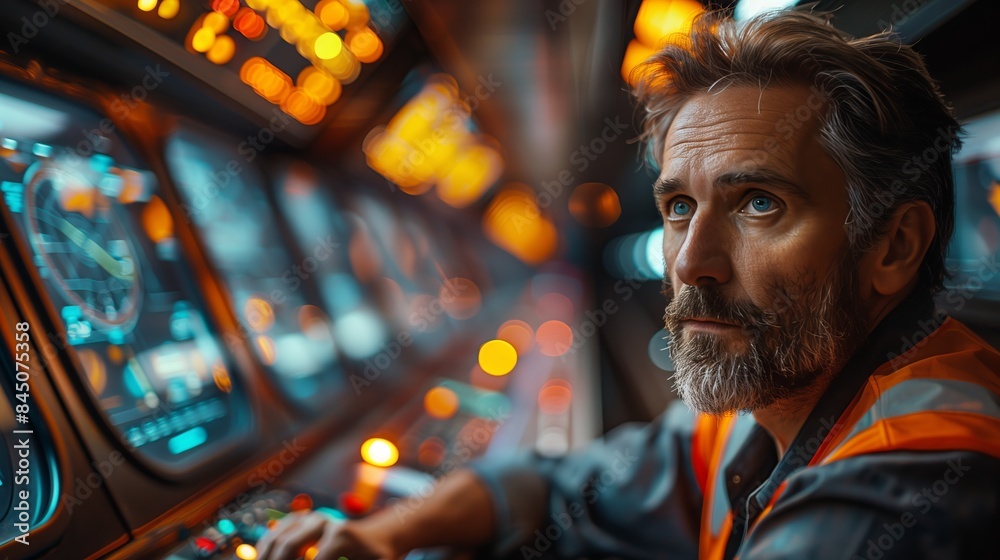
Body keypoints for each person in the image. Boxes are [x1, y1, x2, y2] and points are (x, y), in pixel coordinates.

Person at [257, 9, 1000, 560]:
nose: (689, 263)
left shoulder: (911, 483)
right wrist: (381, 538)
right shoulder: (760, 405)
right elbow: (553, 485)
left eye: (760, 203)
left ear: (893, 247)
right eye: (680, 207)